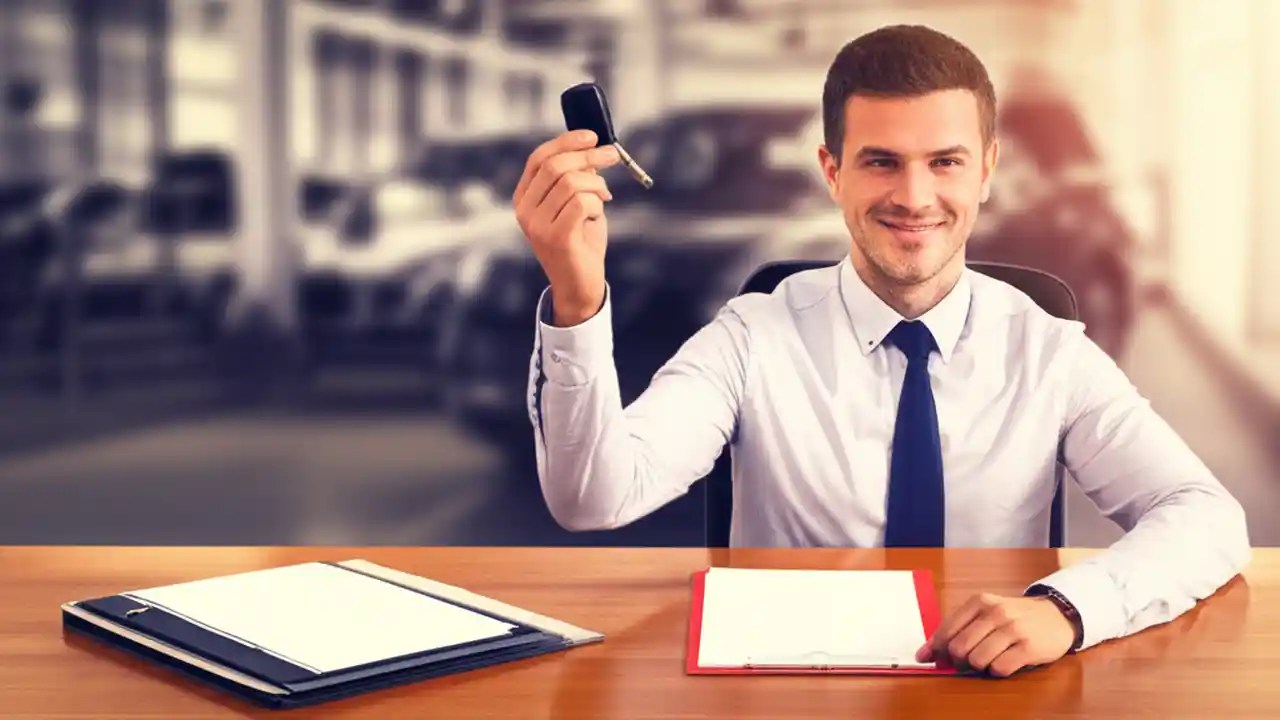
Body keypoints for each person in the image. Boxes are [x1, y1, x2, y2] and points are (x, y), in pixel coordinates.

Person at [509, 25, 1249, 677]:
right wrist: (577, 297)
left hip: (988, 688)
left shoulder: (1048, 352)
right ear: (833, 172)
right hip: (793, 690)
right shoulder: (752, 336)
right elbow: (593, 499)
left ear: (988, 170)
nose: (915, 196)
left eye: (946, 162)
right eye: (882, 161)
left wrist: (1068, 609)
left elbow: (1205, 516)